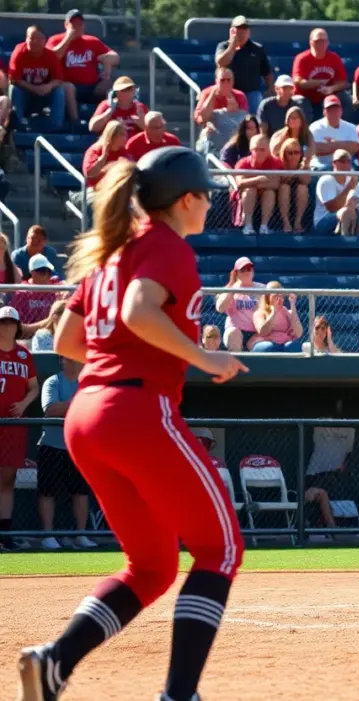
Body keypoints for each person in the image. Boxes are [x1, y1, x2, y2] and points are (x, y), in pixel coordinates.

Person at [16, 147, 247, 700]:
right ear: (186, 200)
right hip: (136, 410)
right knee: (221, 551)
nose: (208, 204)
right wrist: (201, 356)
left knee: (151, 566)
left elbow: (69, 340)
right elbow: (138, 312)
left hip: (87, 414)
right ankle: (178, 695)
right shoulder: (166, 247)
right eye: (206, 195)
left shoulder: (111, 252)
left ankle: (56, 662)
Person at [37, 355, 97, 550]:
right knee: (47, 492)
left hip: (80, 448)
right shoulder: (53, 381)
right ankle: (48, 535)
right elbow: (51, 409)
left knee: (80, 492)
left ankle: (80, 535)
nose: (69, 361)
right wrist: (78, 402)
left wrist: (71, 405)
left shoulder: (90, 383)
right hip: (52, 446)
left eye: (73, 358)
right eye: (65, 358)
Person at [0, 306, 39, 551]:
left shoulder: (24, 355)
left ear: (17, 326)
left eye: (11, 322)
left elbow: (34, 387)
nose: (6, 326)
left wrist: (24, 403)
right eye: (2, 322)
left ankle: (5, 532)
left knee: (7, 480)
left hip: (14, 426)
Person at [47, 9, 118, 121]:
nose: (77, 27)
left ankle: (110, 123)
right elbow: (52, 58)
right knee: (68, 87)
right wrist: (68, 38)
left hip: (92, 86)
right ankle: (75, 122)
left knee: (114, 86)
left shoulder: (92, 41)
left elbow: (115, 57)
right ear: (66, 25)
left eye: (79, 24)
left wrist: (107, 60)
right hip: (68, 85)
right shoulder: (55, 40)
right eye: (73, 24)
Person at [304, 399, 355, 531]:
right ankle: (332, 528)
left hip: (332, 476)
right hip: (313, 480)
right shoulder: (313, 474)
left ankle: (326, 527)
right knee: (322, 494)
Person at [9, 26, 65, 132]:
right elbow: (14, 79)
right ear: (26, 39)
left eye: (39, 38)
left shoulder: (50, 55)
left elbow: (58, 79)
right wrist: (34, 88)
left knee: (59, 91)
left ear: (45, 41)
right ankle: (17, 124)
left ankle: (56, 125)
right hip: (25, 93)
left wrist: (48, 86)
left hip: (44, 94)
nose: (35, 41)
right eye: (31, 38)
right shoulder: (19, 52)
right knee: (14, 89)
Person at [215, 15, 273, 112]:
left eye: (245, 28)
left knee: (255, 111)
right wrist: (233, 45)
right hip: (229, 91)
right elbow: (221, 63)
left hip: (251, 92)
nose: (242, 32)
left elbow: (267, 72)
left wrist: (270, 88)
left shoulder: (257, 49)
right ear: (232, 30)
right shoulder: (224, 46)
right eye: (239, 29)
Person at [233, 134, 282, 234]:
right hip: (246, 194)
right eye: (256, 149)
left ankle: (264, 226)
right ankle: (248, 226)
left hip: (266, 193)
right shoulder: (242, 162)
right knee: (249, 191)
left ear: (268, 149)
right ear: (251, 149)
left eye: (262, 149)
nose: (258, 153)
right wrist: (258, 179)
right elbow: (240, 183)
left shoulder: (276, 162)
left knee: (270, 193)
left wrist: (252, 182)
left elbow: (275, 184)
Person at [292, 28, 349, 112]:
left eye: (324, 41)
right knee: (299, 101)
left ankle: (339, 124)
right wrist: (316, 83)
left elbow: (343, 82)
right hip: (306, 97)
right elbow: (298, 82)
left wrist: (331, 88)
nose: (321, 44)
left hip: (328, 96)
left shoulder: (334, 58)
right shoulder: (302, 59)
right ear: (311, 42)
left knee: (344, 98)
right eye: (318, 41)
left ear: (327, 43)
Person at [194, 68, 249, 156]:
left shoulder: (239, 96)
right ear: (216, 81)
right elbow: (201, 119)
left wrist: (234, 111)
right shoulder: (206, 93)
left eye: (229, 80)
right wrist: (212, 97)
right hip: (211, 134)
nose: (226, 83)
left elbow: (244, 121)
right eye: (222, 80)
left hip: (232, 133)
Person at [215, 256, 263, 352]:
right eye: (242, 270)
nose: (246, 272)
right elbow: (219, 308)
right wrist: (234, 287)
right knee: (234, 334)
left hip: (256, 332)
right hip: (235, 329)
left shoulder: (262, 288)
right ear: (236, 273)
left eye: (249, 269)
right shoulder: (230, 289)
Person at [12, 254, 63, 336]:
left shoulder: (56, 287)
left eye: (49, 271)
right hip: (28, 337)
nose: (47, 275)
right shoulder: (22, 292)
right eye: (42, 271)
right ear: (32, 272)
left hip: (51, 334)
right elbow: (19, 328)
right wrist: (48, 321)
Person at [82, 121, 131, 200]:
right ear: (112, 135)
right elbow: (89, 173)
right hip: (95, 191)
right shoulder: (95, 150)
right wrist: (103, 157)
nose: (126, 137)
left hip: (116, 190)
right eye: (122, 134)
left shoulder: (123, 151)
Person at [313, 149, 359, 234]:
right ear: (334, 163)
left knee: (358, 213)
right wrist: (349, 187)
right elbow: (332, 208)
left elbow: (356, 202)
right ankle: (347, 241)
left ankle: (357, 241)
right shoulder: (326, 180)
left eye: (348, 161)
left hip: (346, 216)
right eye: (342, 161)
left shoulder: (352, 180)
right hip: (323, 222)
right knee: (346, 212)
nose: (345, 164)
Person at [308, 94, 359, 171]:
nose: (333, 112)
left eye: (336, 109)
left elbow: (355, 147)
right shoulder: (315, 127)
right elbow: (315, 149)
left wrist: (331, 144)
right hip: (321, 164)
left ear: (341, 111)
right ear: (324, 112)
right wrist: (344, 146)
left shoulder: (351, 127)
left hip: (345, 163)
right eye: (330, 109)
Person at [251, 281, 304, 352]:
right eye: (276, 296)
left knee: (293, 346)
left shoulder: (287, 312)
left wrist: (292, 305)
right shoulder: (260, 313)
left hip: (284, 344)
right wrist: (274, 311)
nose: (279, 299)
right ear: (268, 297)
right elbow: (263, 332)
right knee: (268, 347)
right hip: (266, 343)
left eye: (281, 295)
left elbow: (299, 333)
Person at [276, 137, 311, 233]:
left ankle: (297, 222)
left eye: (297, 152)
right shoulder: (279, 164)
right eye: (290, 153)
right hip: (279, 193)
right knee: (284, 188)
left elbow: (306, 181)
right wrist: (296, 173)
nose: (294, 156)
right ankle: (286, 223)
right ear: (284, 153)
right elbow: (281, 180)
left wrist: (304, 168)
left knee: (302, 188)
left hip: (297, 193)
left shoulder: (303, 165)